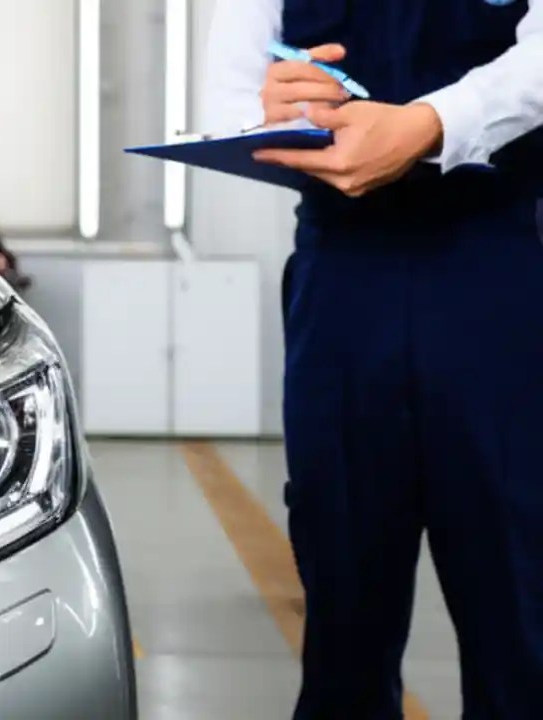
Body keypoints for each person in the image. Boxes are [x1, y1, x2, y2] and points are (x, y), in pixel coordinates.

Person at [204, 1, 543, 718]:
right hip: (341, 274)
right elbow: (228, 97)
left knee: (515, 597)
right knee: (343, 591)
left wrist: (431, 122)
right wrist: (273, 113)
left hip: (495, 262)